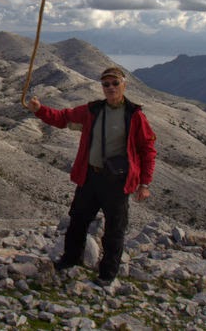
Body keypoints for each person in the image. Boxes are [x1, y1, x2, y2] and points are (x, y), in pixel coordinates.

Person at [25, 66, 157, 283]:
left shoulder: (134, 115)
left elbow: (147, 149)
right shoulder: (93, 110)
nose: (111, 87)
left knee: (115, 229)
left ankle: (107, 273)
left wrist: (145, 183)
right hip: (91, 177)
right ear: (102, 87)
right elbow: (63, 117)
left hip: (117, 181)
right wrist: (39, 110)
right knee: (77, 220)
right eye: (106, 84)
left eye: (115, 83)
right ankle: (70, 259)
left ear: (124, 84)